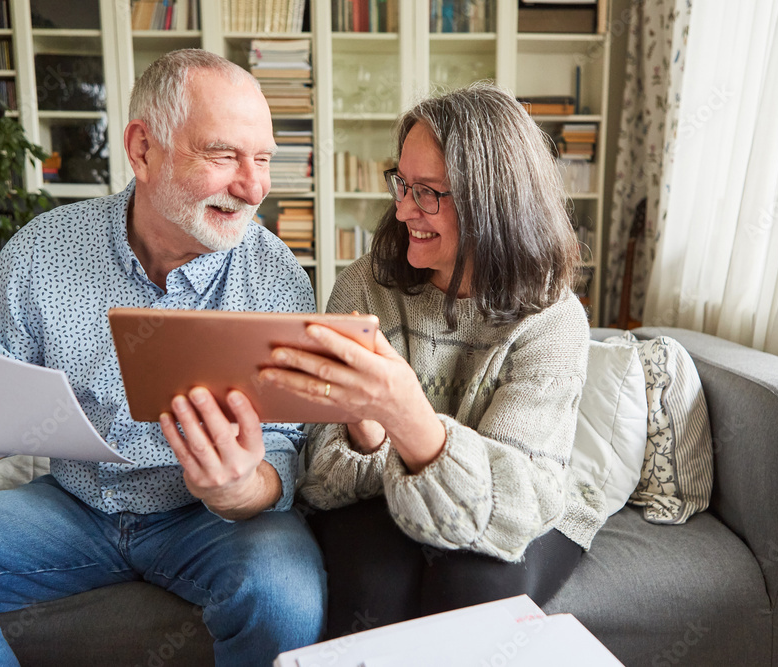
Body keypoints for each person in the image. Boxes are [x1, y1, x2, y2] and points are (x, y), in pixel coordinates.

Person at [0, 49, 324, 666]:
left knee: (283, 599)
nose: (253, 186)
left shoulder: (277, 278)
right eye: (223, 154)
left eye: (262, 160)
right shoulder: (43, 251)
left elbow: (288, 444)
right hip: (75, 507)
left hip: (210, 521)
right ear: (143, 148)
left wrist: (245, 490)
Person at [259, 82, 608, 637]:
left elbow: (514, 506)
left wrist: (405, 413)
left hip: (523, 509)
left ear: (491, 200)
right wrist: (369, 431)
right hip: (387, 498)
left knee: (473, 588)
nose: (402, 211)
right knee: (370, 583)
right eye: (401, 183)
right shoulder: (365, 289)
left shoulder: (552, 316)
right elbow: (322, 481)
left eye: (427, 192)